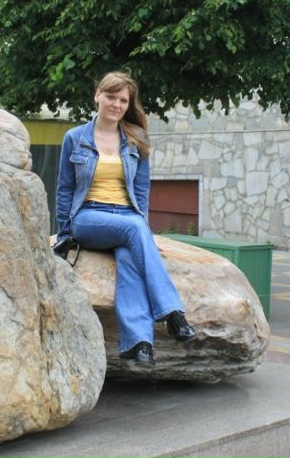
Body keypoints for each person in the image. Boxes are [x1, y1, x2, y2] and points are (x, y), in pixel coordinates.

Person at [56, 71, 195, 365]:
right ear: (97, 96)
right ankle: (172, 311)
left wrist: (145, 233)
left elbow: (141, 191)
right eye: (111, 97)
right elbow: (65, 188)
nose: (116, 105)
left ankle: (139, 343)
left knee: (129, 258)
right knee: (133, 228)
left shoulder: (136, 139)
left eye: (123, 100)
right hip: (89, 217)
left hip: (127, 219)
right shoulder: (75, 138)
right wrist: (64, 233)